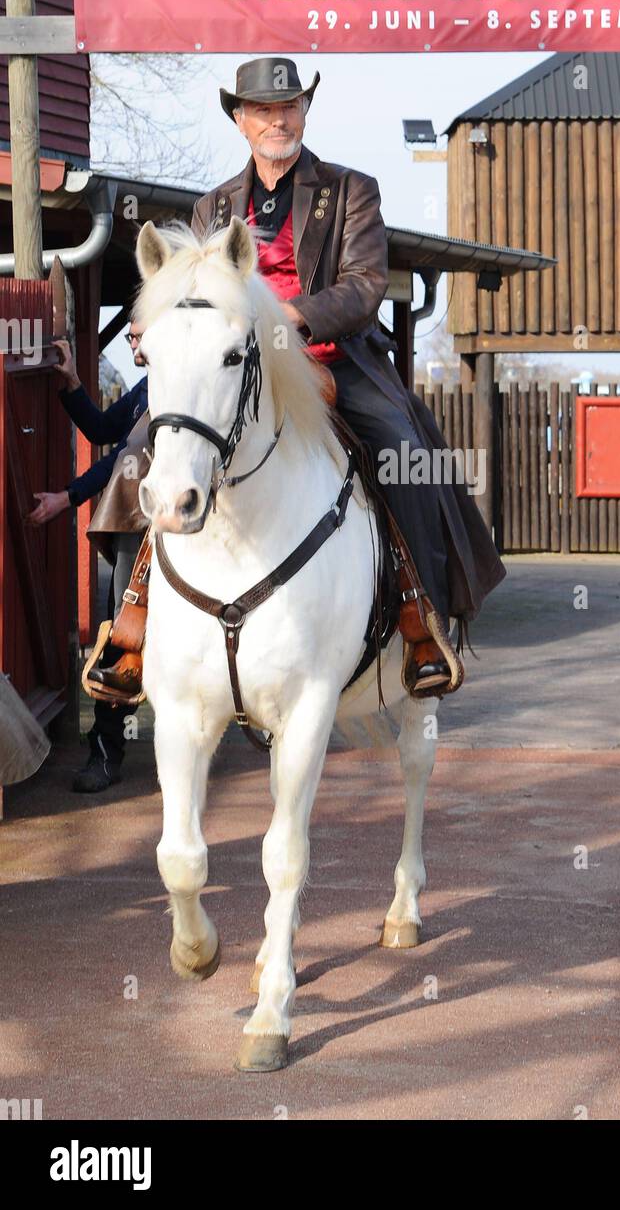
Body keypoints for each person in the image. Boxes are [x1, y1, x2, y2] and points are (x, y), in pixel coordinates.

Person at [191, 57, 506, 686]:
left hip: (337, 362)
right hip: (237, 371)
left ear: (305, 111)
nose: (278, 119)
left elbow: (364, 288)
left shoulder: (351, 190)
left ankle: (423, 626)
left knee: (403, 452)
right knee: (146, 452)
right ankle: (132, 633)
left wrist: (289, 318)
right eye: (264, 109)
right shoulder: (212, 207)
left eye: (289, 107)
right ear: (240, 119)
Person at [28, 325, 148, 792]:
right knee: (121, 639)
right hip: (133, 529)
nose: (132, 342)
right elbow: (105, 435)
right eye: (131, 335)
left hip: (182, 527)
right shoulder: (147, 386)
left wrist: (69, 495)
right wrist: (74, 383)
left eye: (139, 335)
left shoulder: (188, 382)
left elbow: (121, 455)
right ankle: (105, 752)